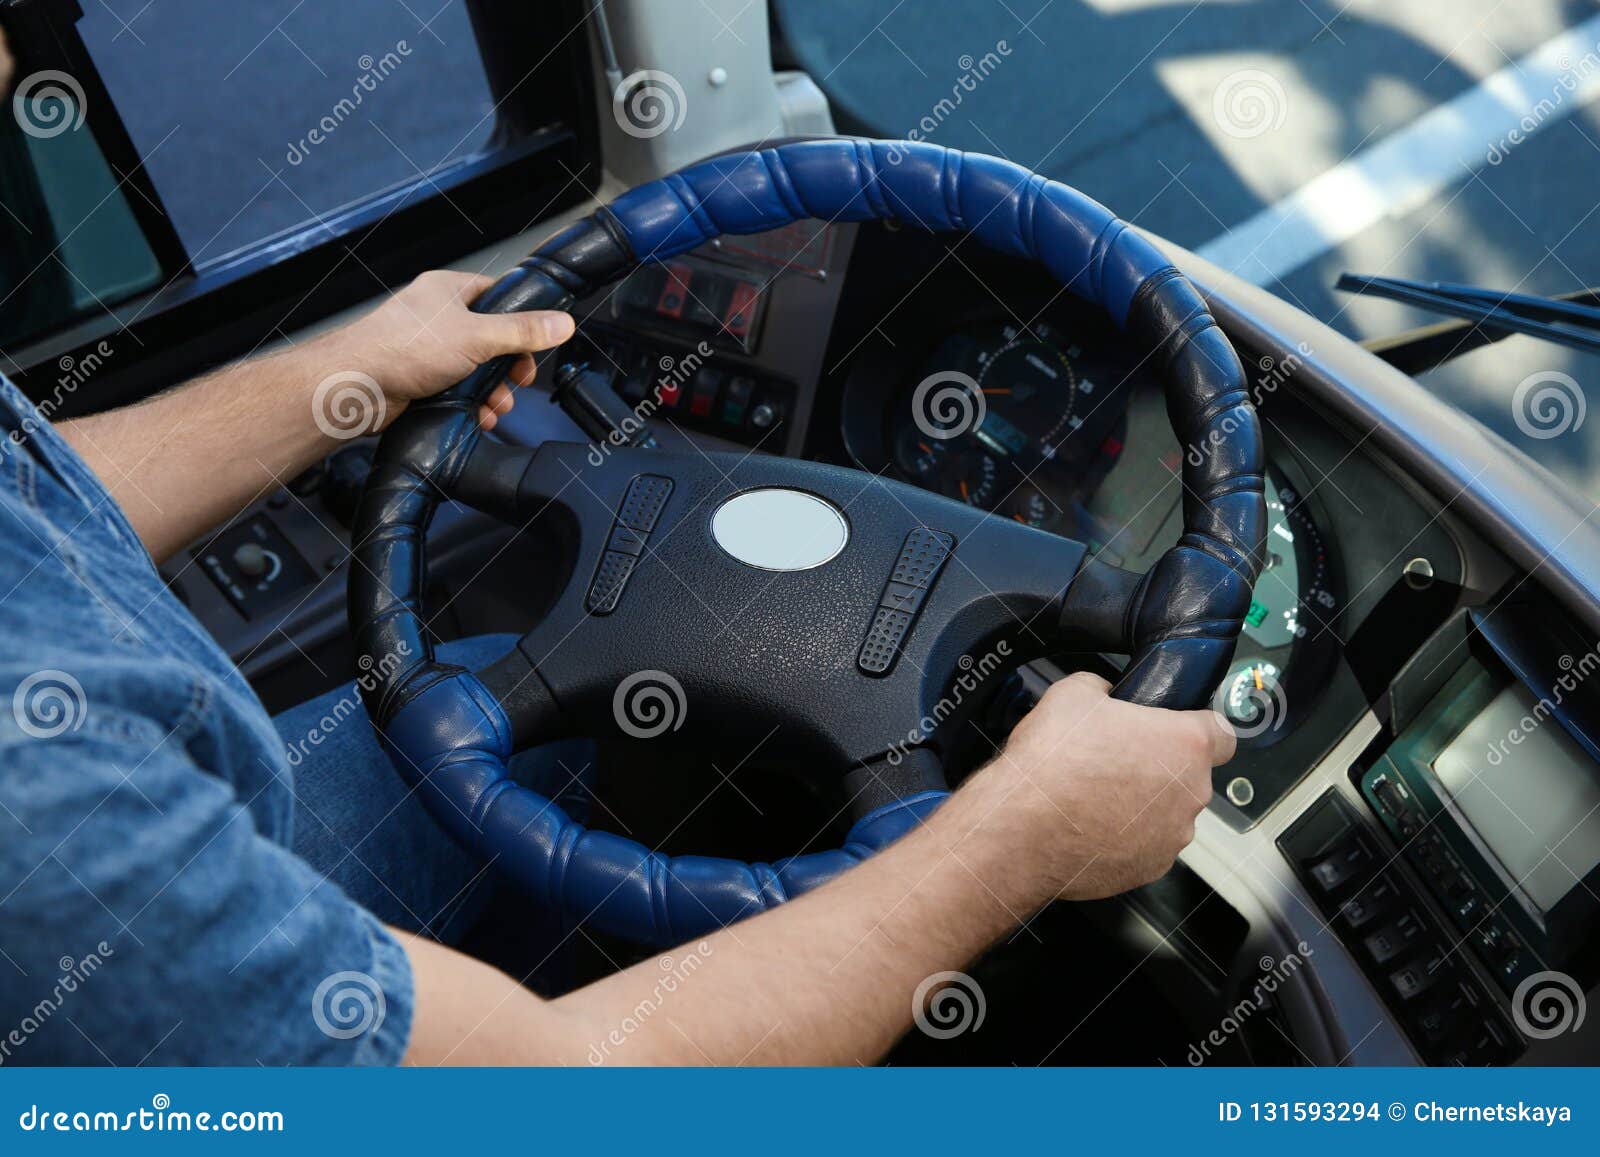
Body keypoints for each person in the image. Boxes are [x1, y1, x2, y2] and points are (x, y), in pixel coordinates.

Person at [0, 270, 1233, 1065]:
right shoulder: (44, 810)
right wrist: (1020, 837)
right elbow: (552, 1095)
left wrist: (356, 367)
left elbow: (30, 503)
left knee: (494, 694)